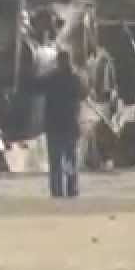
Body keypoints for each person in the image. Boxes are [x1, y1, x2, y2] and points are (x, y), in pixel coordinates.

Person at [34, 49, 87, 198]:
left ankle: (57, 190)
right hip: (70, 124)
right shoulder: (75, 79)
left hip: (54, 125)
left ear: (58, 61)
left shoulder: (51, 78)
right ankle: (71, 188)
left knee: (55, 161)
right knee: (70, 159)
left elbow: (35, 85)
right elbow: (84, 93)